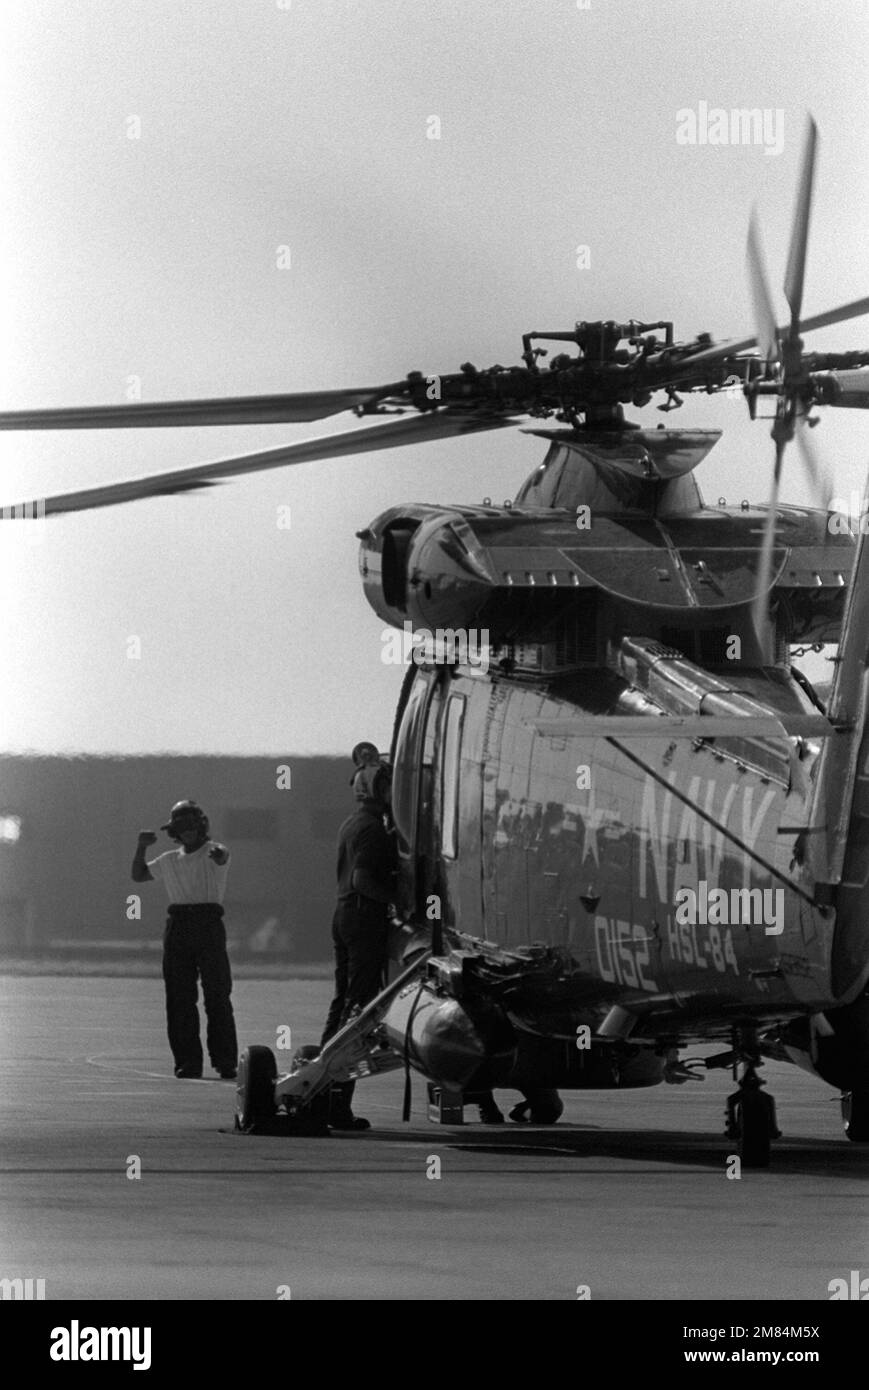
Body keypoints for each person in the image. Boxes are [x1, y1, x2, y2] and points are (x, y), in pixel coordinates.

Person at [131, 800, 239, 1080]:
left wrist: (217, 853)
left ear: (201, 827)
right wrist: (142, 846)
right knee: (179, 998)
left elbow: (222, 855)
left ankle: (225, 1060)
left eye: (192, 827)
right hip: (178, 923)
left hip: (208, 922)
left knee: (217, 994)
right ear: (175, 832)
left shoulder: (212, 852)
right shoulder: (169, 859)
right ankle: (188, 1062)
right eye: (182, 829)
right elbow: (139, 875)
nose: (188, 832)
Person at [319, 757, 397, 1129]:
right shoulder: (374, 831)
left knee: (341, 1005)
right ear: (379, 789)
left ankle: (323, 1089)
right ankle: (337, 1104)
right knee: (359, 1010)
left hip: (343, 915)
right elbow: (364, 879)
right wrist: (398, 898)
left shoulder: (351, 823)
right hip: (364, 917)